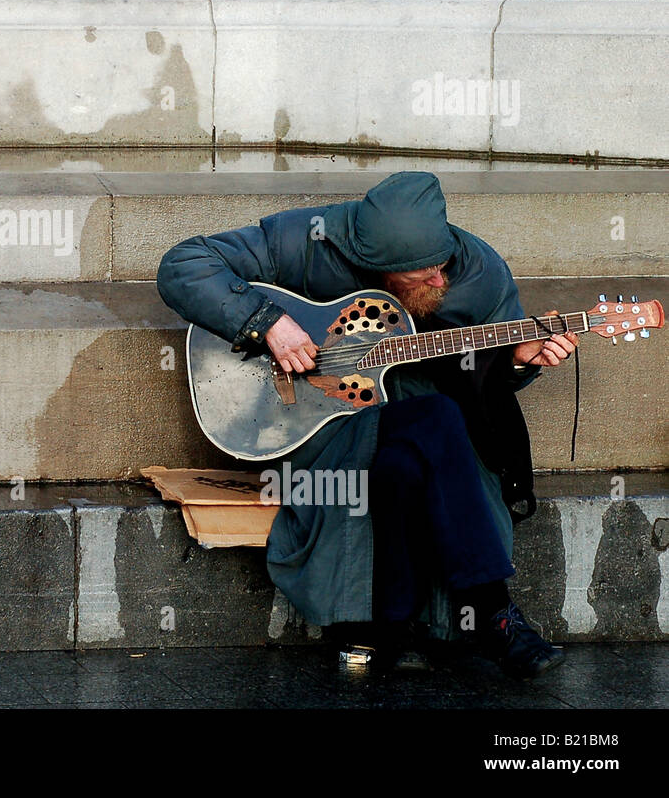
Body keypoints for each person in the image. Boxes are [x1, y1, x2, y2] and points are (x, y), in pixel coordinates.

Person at [156, 170, 576, 679]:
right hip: (317, 425)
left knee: (409, 455)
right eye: (421, 277)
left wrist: (518, 361)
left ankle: (393, 629)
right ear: (378, 268)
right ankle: (494, 614)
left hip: (420, 426)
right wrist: (267, 322)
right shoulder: (306, 240)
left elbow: (488, 382)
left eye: (441, 267)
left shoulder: (478, 269)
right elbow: (183, 264)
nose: (440, 281)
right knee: (432, 427)